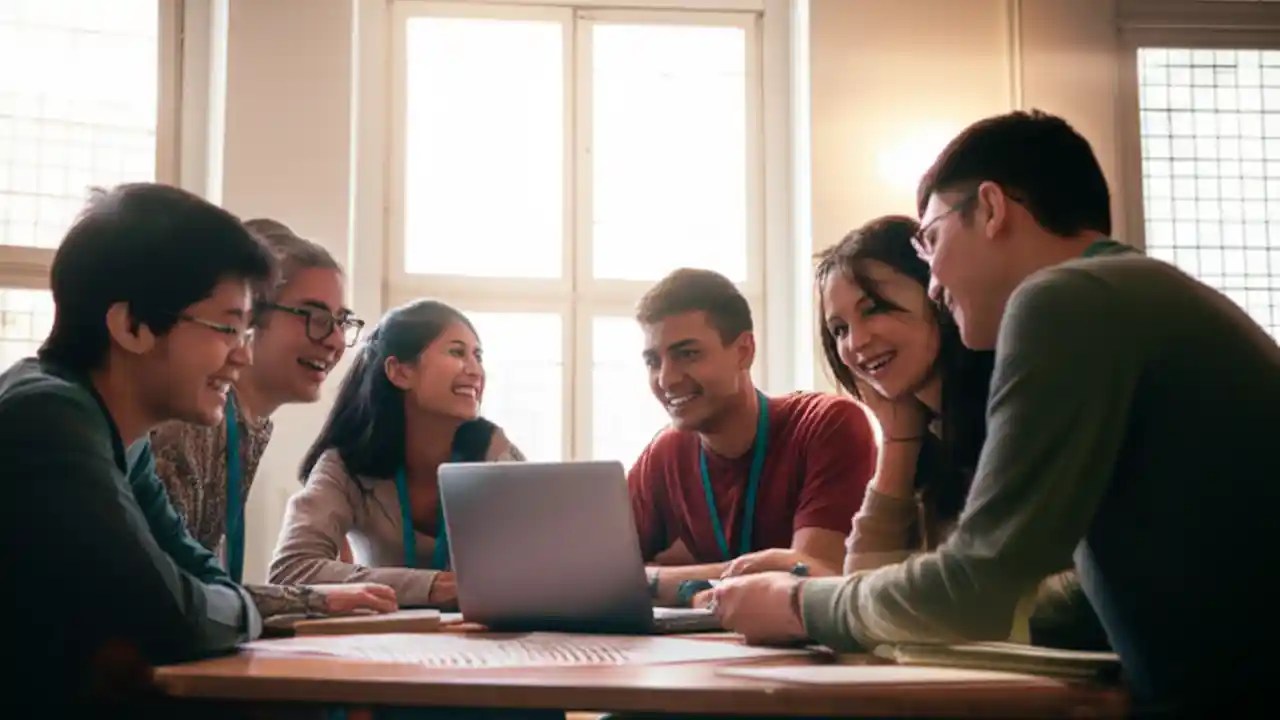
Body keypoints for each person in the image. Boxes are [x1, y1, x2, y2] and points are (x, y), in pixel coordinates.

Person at [705, 110, 1280, 714]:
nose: (933, 283)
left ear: (991, 208)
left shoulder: (1063, 298)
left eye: (930, 241)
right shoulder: (1135, 293)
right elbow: (1077, 597)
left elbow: (975, 587)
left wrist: (799, 605)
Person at [0, 184, 272, 706]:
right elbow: (171, 617)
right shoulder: (48, 418)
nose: (243, 356)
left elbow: (198, 574)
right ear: (131, 326)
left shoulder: (120, 432)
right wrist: (245, 609)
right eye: (227, 328)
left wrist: (231, 604)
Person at [808, 214, 1105, 650]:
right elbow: (868, 595)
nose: (855, 343)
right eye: (839, 330)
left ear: (938, 292)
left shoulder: (1020, 406)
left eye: (874, 308)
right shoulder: (928, 436)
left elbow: (1028, 596)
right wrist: (898, 441)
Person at [142, 218, 395, 619]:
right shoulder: (188, 423)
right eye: (313, 317)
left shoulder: (245, 424)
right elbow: (170, 594)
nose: (334, 340)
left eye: (340, 322)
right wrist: (309, 600)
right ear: (251, 316)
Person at [628, 268, 877, 606]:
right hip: (724, 638)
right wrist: (710, 579)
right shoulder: (666, 452)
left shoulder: (825, 424)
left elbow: (815, 577)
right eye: (653, 361)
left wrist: (658, 579)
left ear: (744, 351)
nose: (666, 379)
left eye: (688, 354)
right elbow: (601, 574)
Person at [269, 299, 524, 609]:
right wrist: (431, 587)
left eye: (478, 356)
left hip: (483, 631)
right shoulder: (347, 463)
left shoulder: (495, 453)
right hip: (382, 631)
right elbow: (290, 571)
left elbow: (542, 560)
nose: (475, 371)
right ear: (400, 372)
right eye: (457, 353)